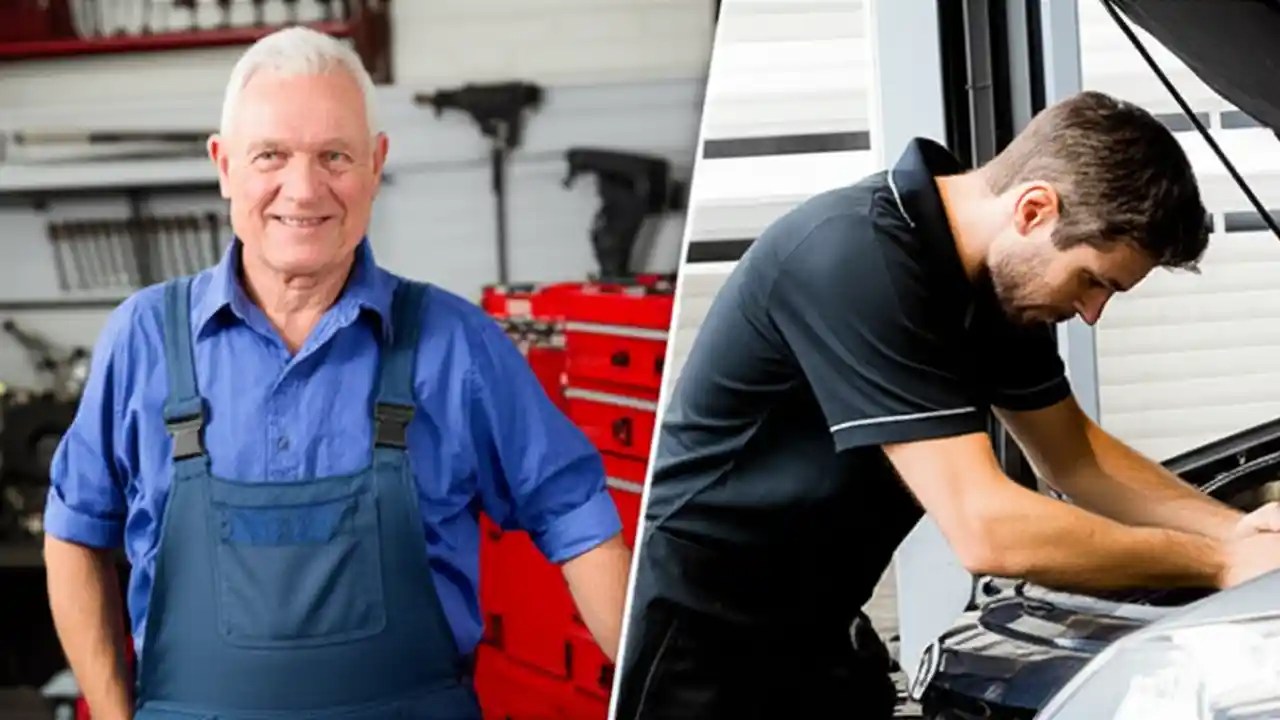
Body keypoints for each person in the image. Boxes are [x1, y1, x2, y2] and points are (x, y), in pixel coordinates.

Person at [612, 90, 1280, 719]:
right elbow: (987, 528)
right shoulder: (852, 256)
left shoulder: (996, 291)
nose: (1092, 313)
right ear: (1033, 210)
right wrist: (1215, 565)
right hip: (704, 652)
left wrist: (1234, 532)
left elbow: (1076, 460)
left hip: (822, 633)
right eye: (1091, 281)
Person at [42, 27, 631, 720]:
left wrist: (668, 686)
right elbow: (75, 533)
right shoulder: (142, 341)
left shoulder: (456, 346)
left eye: (334, 156)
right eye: (271, 156)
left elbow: (579, 520)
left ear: (376, 163)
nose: (304, 187)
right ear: (224, 164)